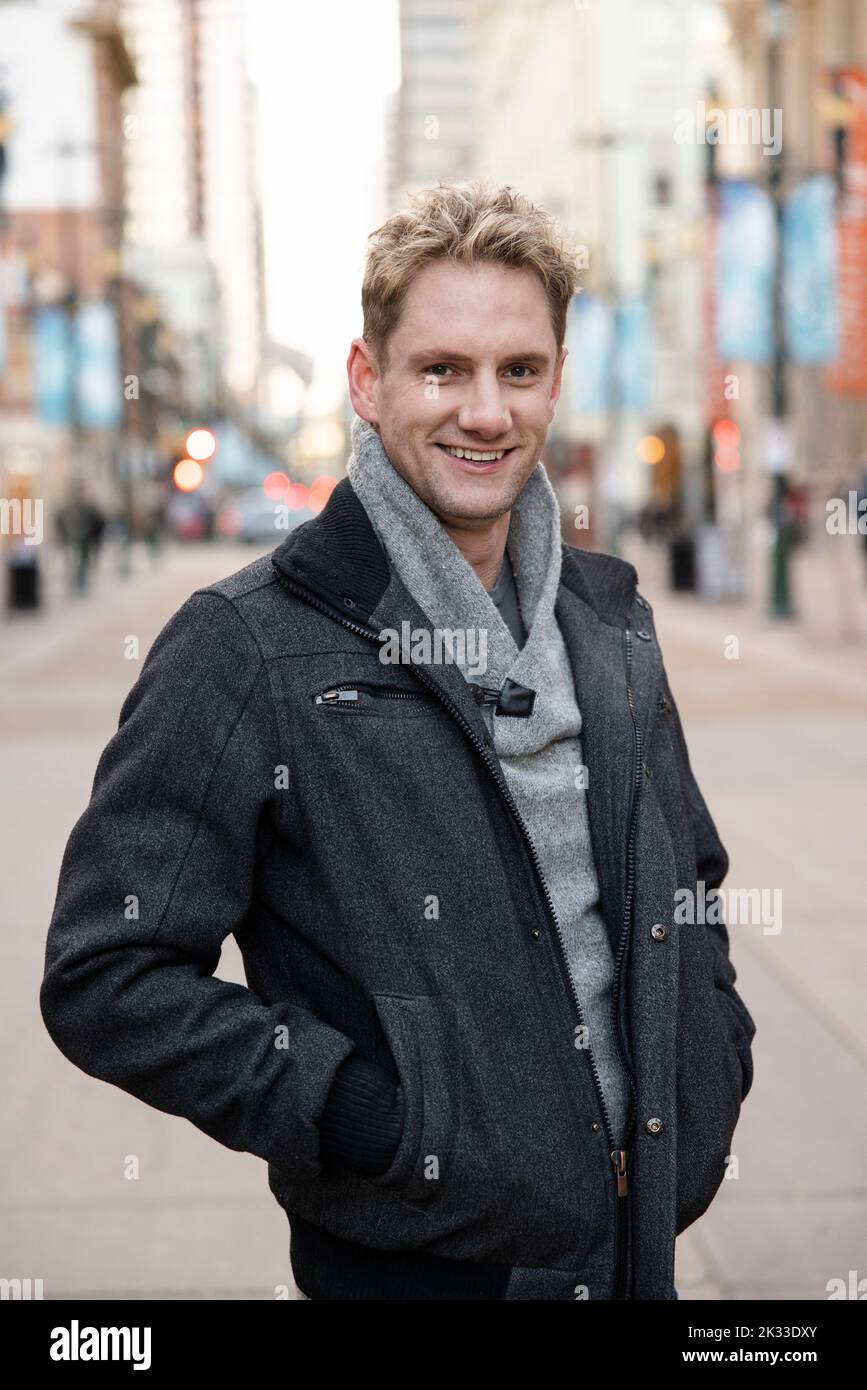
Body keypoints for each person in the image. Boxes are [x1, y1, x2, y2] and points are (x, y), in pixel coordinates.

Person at [40, 181, 756, 1301]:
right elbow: (105, 970)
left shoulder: (609, 623)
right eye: (444, 370)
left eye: (519, 371)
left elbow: (694, 878)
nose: (487, 410)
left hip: (636, 1262)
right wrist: (361, 1113)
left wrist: (713, 1062)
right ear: (368, 382)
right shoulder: (249, 647)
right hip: (417, 1277)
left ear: (557, 380)